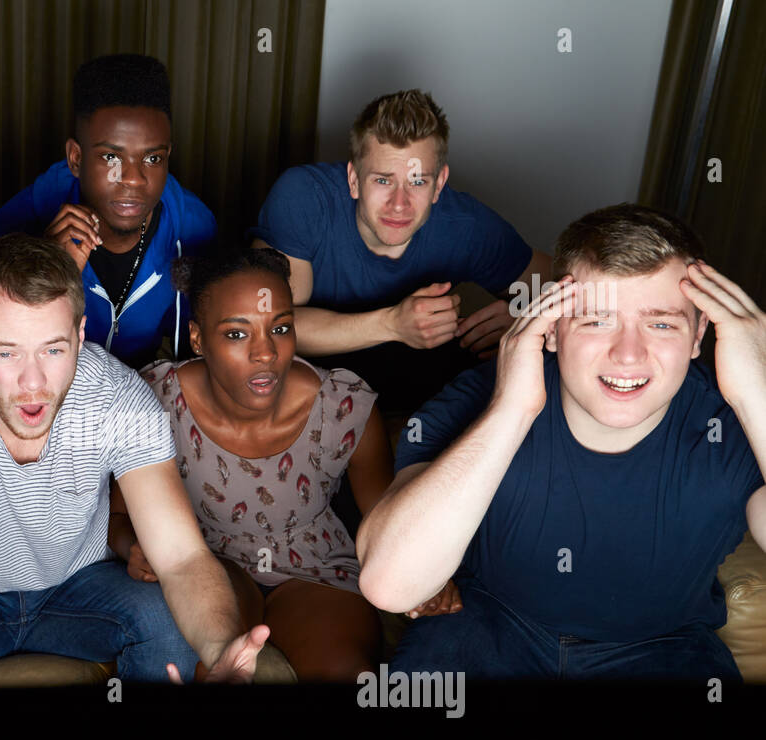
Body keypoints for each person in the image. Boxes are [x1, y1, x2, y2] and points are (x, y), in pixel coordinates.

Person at [357, 204, 765, 680]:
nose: (628, 354)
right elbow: (390, 584)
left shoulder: (734, 421)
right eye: (597, 321)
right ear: (552, 327)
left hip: (667, 646)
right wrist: (511, 410)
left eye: (661, 324)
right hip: (489, 625)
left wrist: (756, 389)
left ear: (698, 335)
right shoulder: (477, 398)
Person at [0, 233, 268, 689]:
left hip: (79, 585)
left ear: (80, 335)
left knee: (170, 628)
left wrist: (219, 650)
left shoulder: (121, 398)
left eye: (54, 349)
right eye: (6, 353)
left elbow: (183, 558)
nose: (33, 382)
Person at [112, 248, 461, 681]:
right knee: (208, 667)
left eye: (280, 328)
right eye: (237, 334)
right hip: (207, 562)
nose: (265, 353)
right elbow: (117, 515)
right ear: (198, 338)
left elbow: (384, 522)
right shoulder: (156, 400)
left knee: (347, 673)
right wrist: (134, 549)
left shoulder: (343, 406)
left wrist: (423, 576)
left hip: (314, 569)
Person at [252, 89, 553, 414]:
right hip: (302, 389)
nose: (399, 204)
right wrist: (393, 324)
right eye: (383, 181)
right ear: (353, 180)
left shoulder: (465, 225)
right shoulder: (303, 198)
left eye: (418, 182)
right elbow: (269, 325)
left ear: (439, 185)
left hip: (412, 396)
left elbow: (579, 286)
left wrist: (526, 317)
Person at [0, 54, 215, 371]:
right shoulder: (25, 219)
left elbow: (205, 348)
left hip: (134, 398)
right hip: (41, 397)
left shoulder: (192, 228)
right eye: (112, 157)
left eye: (153, 159)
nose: (134, 178)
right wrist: (37, 276)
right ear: (75, 158)